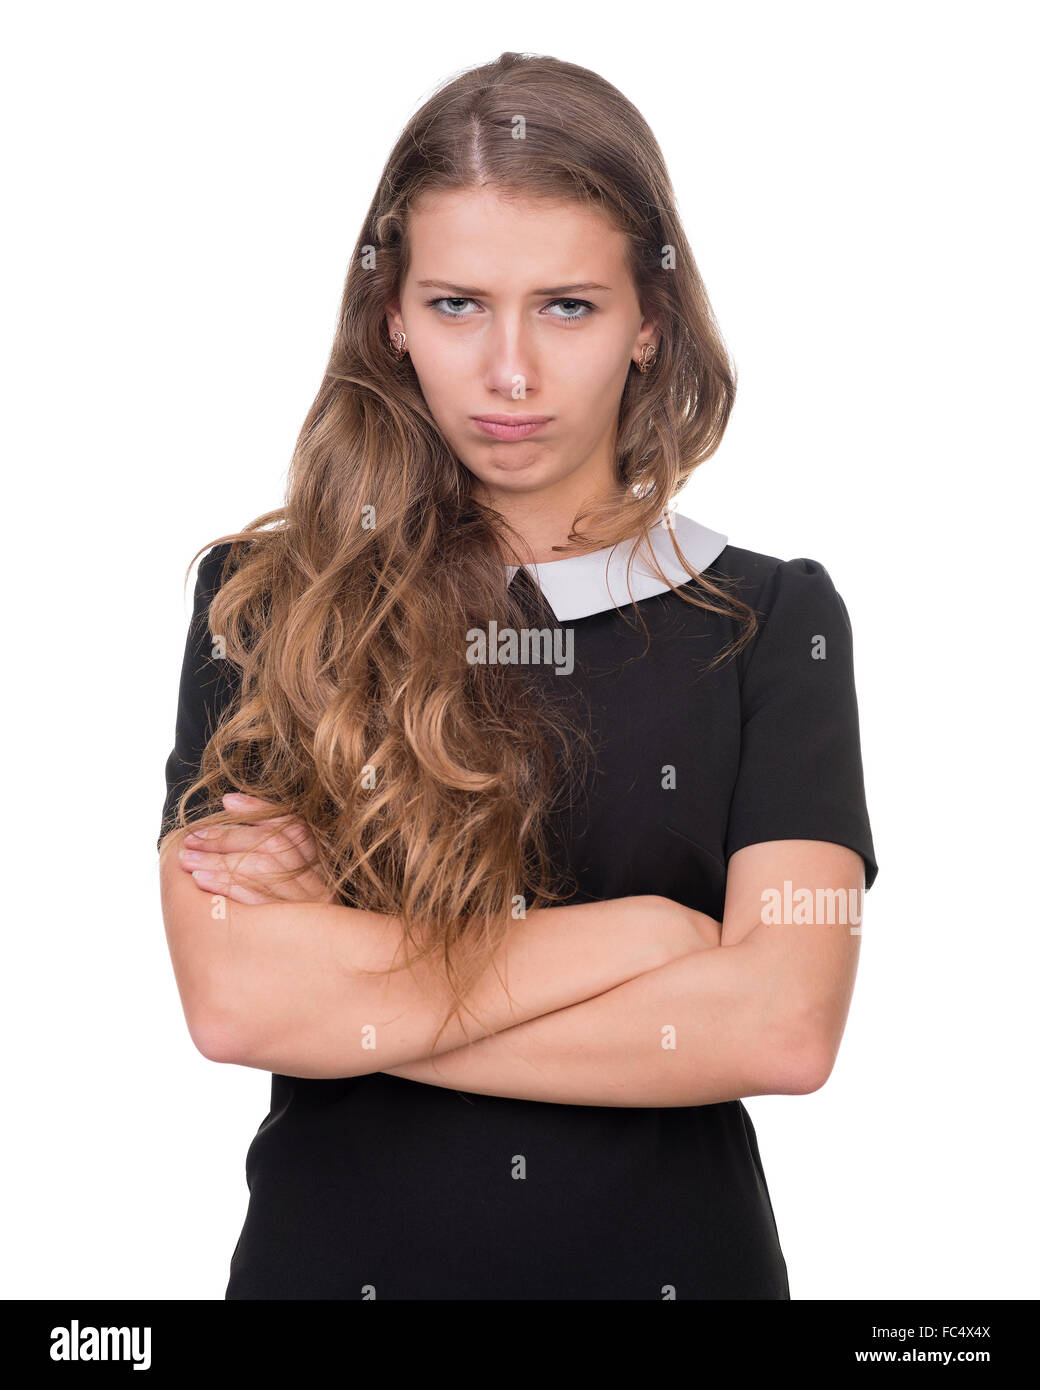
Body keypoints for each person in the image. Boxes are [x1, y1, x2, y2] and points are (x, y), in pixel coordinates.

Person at [157, 51, 877, 1300]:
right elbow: (238, 1000)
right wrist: (647, 939)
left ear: (650, 319)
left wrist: (359, 1000)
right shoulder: (265, 603)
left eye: (566, 306)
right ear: (389, 313)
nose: (508, 376)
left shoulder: (772, 619)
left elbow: (780, 1024)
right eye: (453, 305)